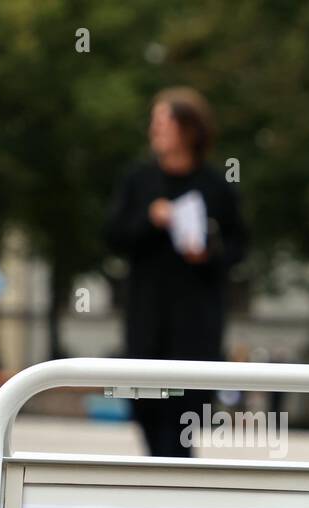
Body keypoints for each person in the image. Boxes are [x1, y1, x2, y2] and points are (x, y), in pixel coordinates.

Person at [104, 87, 248, 457]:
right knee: (147, 408)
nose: (155, 132)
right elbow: (113, 236)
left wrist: (207, 253)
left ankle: (178, 487)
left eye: (163, 124)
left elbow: (239, 247)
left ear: (189, 130)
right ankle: (158, 480)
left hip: (196, 320)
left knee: (186, 413)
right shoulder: (139, 181)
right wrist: (150, 220)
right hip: (147, 316)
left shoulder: (217, 186)